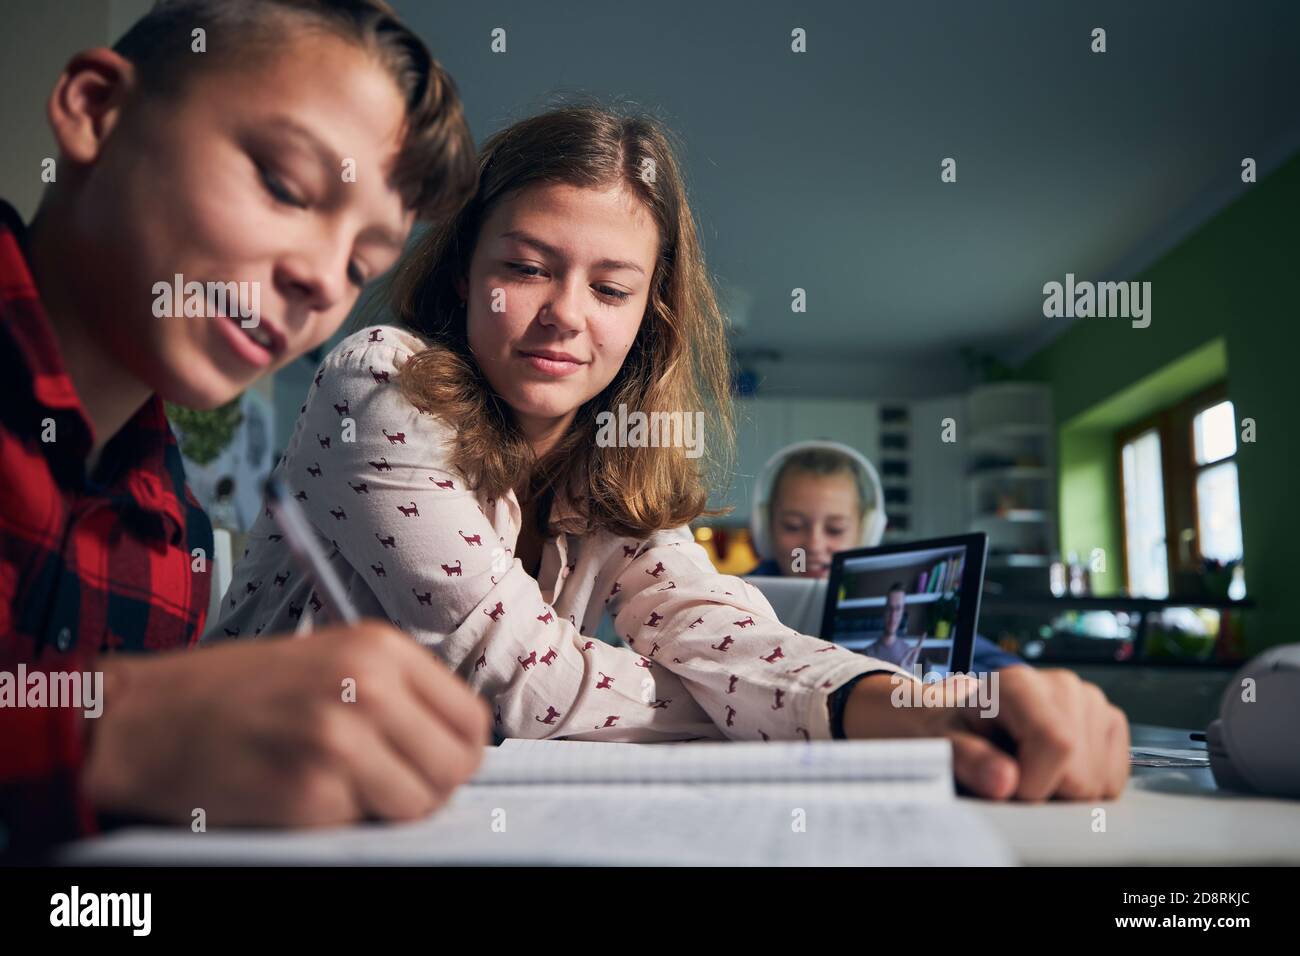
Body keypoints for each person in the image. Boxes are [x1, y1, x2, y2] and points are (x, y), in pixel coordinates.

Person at [219, 104, 1128, 802]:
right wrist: (752, 705)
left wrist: (906, 706)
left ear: (645, 317)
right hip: (246, 812)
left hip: (444, 819)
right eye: (527, 267)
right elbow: (521, 688)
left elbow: (716, 628)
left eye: (610, 287)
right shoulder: (380, 379)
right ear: (465, 275)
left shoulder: (614, 456)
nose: (567, 314)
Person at [0, 0, 491, 862]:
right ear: (94, 109)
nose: (318, 282)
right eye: (286, 188)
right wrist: (110, 730)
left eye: (358, 267)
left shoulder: (170, 536)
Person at [748, 440, 1025, 670]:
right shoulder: (734, 597)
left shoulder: (885, 598)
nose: (814, 544)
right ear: (765, 527)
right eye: (793, 526)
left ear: (867, 531)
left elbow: (1008, 670)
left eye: (835, 529)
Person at [863, 583, 922, 668]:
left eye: (898, 609)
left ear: (903, 612)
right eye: (890, 608)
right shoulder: (867, 653)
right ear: (884, 610)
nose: (893, 615)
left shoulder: (911, 655)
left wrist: (908, 675)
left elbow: (919, 680)